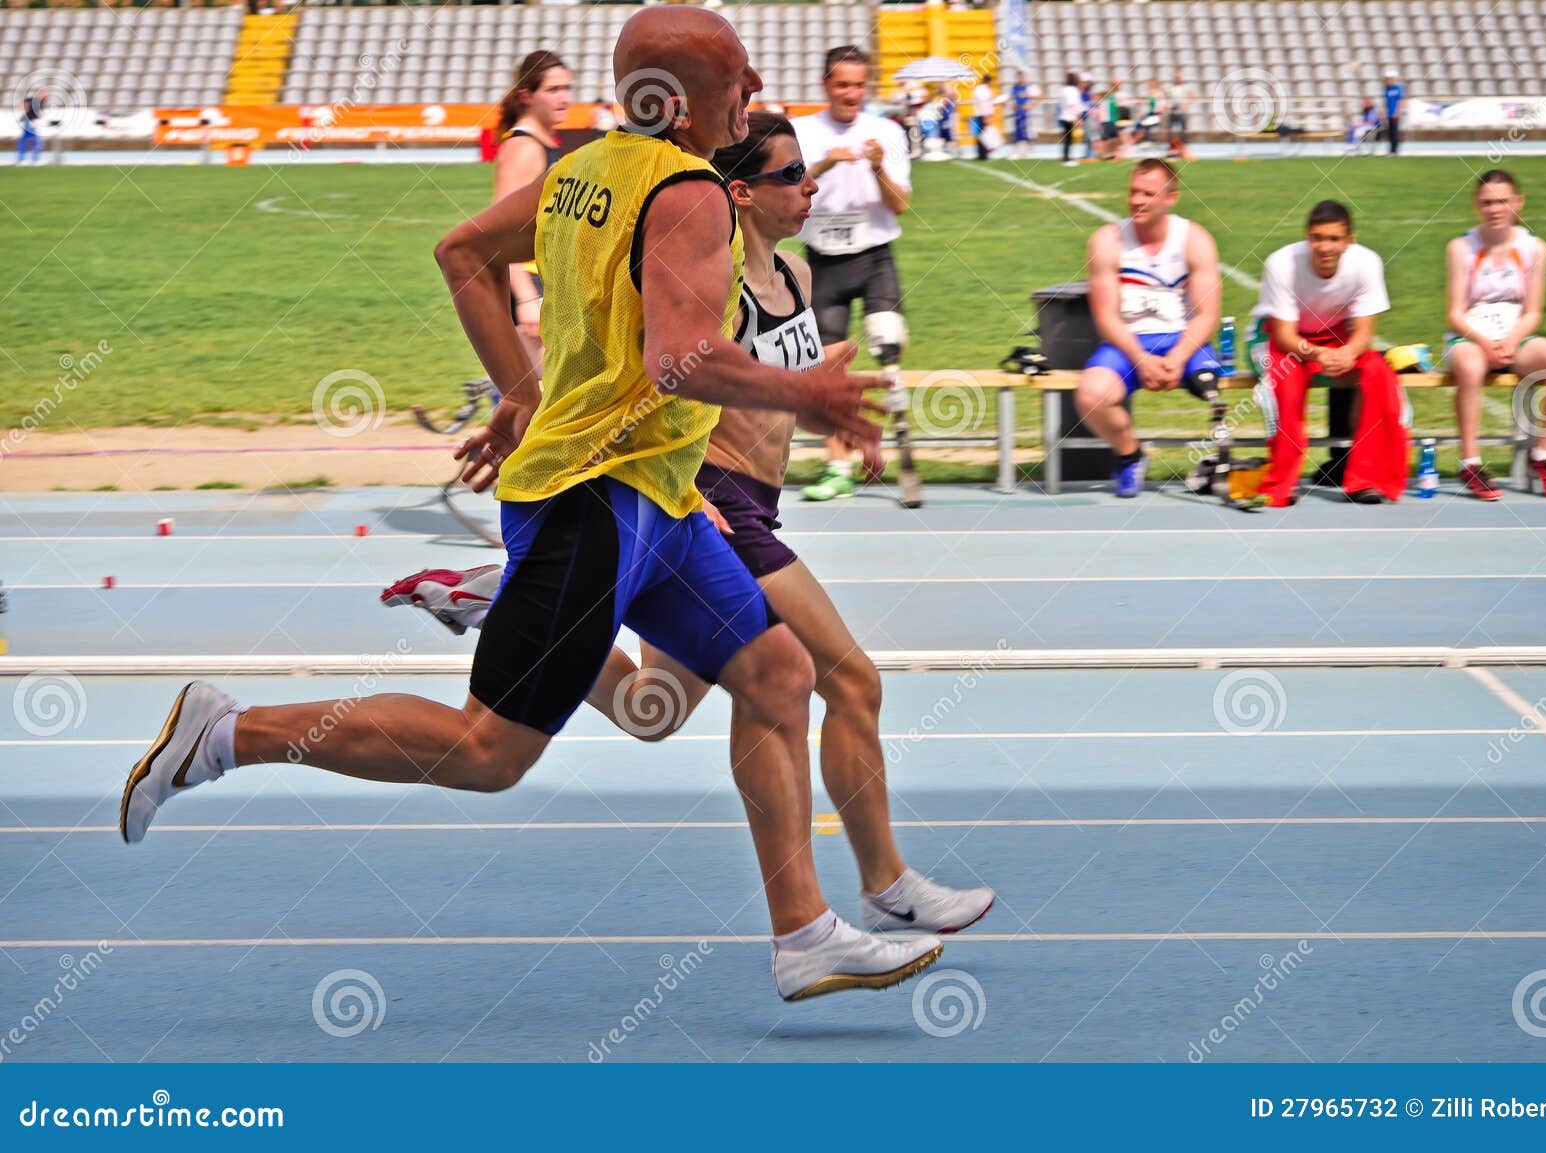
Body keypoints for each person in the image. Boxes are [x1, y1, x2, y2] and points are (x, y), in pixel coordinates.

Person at [119, 7, 944, 1004]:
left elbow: (459, 254)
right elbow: (676, 358)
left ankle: (804, 931)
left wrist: (519, 387)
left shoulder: (586, 171)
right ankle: (227, 732)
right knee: (488, 752)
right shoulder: (687, 195)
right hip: (586, 503)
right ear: (680, 97)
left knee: (776, 673)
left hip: (657, 498)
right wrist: (804, 393)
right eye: (734, 69)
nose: (751, 79)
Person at [384, 112, 995, 937]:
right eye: (790, 175)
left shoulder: (801, 278)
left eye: (808, 172)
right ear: (739, 193)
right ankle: (884, 883)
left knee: (653, 709)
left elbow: (785, 396)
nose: (810, 186)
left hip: (755, 504)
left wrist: (838, 421)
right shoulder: (713, 285)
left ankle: (510, 599)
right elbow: (656, 379)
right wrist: (668, 482)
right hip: (717, 503)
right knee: (848, 679)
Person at [791, 45, 913, 502]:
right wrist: (823, 165)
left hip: (875, 256)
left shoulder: (886, 132)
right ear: (826, 85)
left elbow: (900, 205)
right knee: (828, 369)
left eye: (859, 85)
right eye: (843, 84)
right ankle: (837, 465)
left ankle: (897, 447)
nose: (851, 94)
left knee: (888, 350)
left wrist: (879, 166)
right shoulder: (802, 131)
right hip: (823, 260)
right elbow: (785, 194)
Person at [1077, 159, 1224, 498]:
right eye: (1133, 192)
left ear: (1170, 198)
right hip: (1128, 342)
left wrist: (1177, 357)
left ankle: (1223, 461)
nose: (1137, 201)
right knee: (1090, 395)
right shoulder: (1107, 241)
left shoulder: (1195, 239)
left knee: (1212, 386)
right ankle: (1130, 455)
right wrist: (1141, 359)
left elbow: (1206, 315)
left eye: (1148, 193)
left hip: (1183, 339)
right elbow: (1106, 317)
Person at [1249, 200, 1408, 507]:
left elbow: (1364, 332)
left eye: (1334, 239)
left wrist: (1348, 353)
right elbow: (1283, 337)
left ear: (1350, 241)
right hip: (1280, 338)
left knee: (1378, 373)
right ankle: (1281, 483)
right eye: (1318, 238)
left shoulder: (1367, 263)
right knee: (1287, 385)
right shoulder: (1281, 263)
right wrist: (1318, 354)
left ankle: (1367, 479)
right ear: (1308, 237)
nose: (1325, 246)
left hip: (1336, 336)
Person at [1444, 169, 1546, 499]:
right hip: (1471, 336)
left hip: (1515, 334)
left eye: (1502, 201)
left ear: (1517, 203)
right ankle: (1471, 462)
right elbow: (1455, 313)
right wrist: (1486, 343)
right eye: (1487, 202)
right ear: (1477, 205)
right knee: (1472, 368)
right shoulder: (1461, 247)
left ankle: (1542, 456)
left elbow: (1533, 312)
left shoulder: (1534, 247)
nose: (1495, 209)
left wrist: (1511, 341)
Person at [495, 51, 572, 382]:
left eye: (567, 88)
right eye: (553, 90)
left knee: (548, 400)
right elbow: (501, 231)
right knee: (549, 399)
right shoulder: (523, 148)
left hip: (548, 281)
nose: (565, 98)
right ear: (527, 95)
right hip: (529, 284)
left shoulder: (542, 143)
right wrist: (526, 297)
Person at [1057, 71, 1084, 165]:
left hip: (1064, 116)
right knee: (1069, 138)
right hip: (1070, 117)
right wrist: (1077, 118)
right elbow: (1072, 105)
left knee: (1067, 138)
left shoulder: (1064, 89)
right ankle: (1067, 158)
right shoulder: (1072, 90)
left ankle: (1066, 156)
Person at [970, 72, 996, 161]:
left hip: (981, 114)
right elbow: (983, 103)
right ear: (988, 81)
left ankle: (981, 154)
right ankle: (983, 155)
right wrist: (987, 116)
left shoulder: (980, 89)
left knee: (981, 135)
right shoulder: (983, 90)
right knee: (984, 136)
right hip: (982, 115)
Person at [1010, 70, 1039, 153]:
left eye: (1021, 77)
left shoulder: (1028, 88)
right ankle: (1018, 150)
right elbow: (1010, 99)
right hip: (1018, 113)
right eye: (1018, 77)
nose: (1020, 79)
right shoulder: (1014, 88)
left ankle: (1030, 150)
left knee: (1028, 132)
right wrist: (1012, 105)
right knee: (1018, 132)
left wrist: (1031, 105)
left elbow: (1039, 96)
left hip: (1027, 114)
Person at [16, 87, 44, 165]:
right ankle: (32, 159)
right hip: (29, 122)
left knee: (28, 140)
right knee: (34, 140)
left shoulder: (38, 101)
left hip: (32, 122)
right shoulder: (31, 100)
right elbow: (23, 106)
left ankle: (24, 159)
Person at [1166, 71, 1192, 145]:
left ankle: (1184, 144)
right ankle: (1171, 143)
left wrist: (1186, 105)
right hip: (1172, 110)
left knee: (1183, 128)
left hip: (1182, 110)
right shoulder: (1170, 88)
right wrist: (1168, 105)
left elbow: (1192, 96)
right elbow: (1167, 98)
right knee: (1170, 128)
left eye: (1178, 78)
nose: (1177, 79)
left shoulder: (1185, 87)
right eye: (1175, 78)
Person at [1383, 69, 1404, 155]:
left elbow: (1400, 101)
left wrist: (1397, 112)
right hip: (1389, 114)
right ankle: (1391, 150)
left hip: (1395, 114)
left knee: (1395, 132)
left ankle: (1395, 150)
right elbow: (1386, 102)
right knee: (1390, 132)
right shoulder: (1387, 89)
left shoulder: (1398, 88)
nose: (1387, 81)